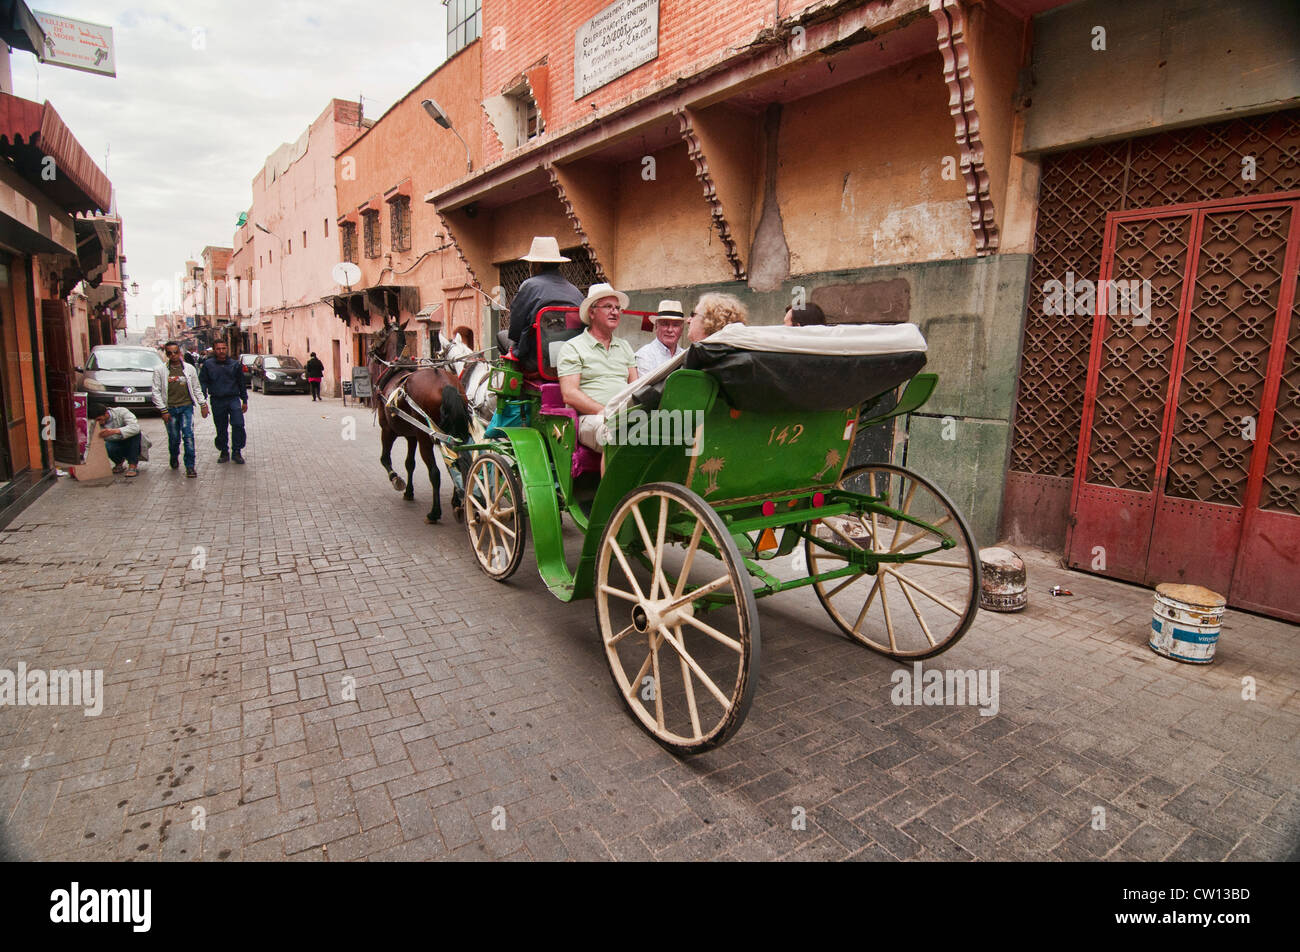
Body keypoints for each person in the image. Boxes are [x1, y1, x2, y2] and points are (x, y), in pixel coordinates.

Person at [557, 282, 638, 458]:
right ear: (592, 312)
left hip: (624, 416)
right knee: (615, 432)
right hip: (590, 418)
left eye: (617, 308)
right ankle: (614, 486)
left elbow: (636, 387)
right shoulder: (573, 347)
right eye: (608, 307)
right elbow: (569, 394)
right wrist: (605, 412)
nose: (615, 312)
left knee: (665, 431)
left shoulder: (624, 346)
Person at [506, 236, 583, 374]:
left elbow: (515, 331)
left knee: (502, 337)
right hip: (572, 361)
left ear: (537, 264)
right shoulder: (575, 291)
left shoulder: (529, 285)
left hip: (536, 362)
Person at [152, 340, 209, 477]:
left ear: (180, 352)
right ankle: (174, 455)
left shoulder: (189, 369)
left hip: (186, 407)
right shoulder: (160, 370)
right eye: (170, 353)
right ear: (167, 354)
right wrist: (163, 410)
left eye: (176, 352)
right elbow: (155, 392)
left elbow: (196, 388)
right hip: (170, 409)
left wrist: (203, 404)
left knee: (188, 436)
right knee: (174, 438)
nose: (173, 355)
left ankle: (190, 466)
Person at [199, 340, 249, 464]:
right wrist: (203, 402)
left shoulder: (235, 364)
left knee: (238, 424)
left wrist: (244, 400)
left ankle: (237, 451)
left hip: (233, 399)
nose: (221, 351)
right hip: (217, 399)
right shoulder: (208, 365)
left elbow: (241, 383)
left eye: (223, 348)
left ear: (227, 349)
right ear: (214, 350)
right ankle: (224, 451)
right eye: (218, 349)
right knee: (221, 427)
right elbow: (203, 382)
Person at [88, 400, 143, 477]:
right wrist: (87, 462)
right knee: (107, 446)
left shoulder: (121, 411)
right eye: (96, 420)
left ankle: (132, 467)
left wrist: (114, 431)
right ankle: (119, 463)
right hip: (114, 442)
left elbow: (135, 428)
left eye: (100, 419)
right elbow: (90, 443)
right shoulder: (94, 424)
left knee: (136, 435)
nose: (99, 423)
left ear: (106, 413)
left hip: (129, 440)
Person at [635, 300, 687, 376]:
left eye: (675, 325)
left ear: (681, 329)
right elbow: (646, 387)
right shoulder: (645, 355)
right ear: (656, 326)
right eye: (665, 324)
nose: (670, 330)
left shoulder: (686, 355)